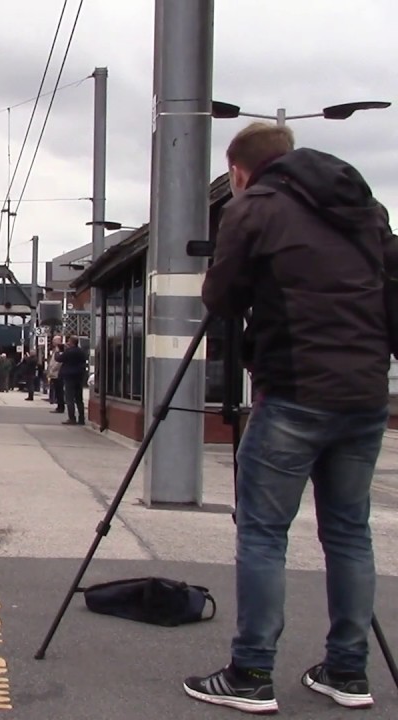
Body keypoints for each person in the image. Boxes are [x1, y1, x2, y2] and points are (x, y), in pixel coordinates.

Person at [184, 122, 394, 713]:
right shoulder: (364, 206)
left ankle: (251, 673)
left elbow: (221, 297)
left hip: (296, 392)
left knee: (263, 533)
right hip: (366, 395)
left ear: (240, 171)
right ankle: (348, 672)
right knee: (350, 534)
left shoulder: (255, 207)